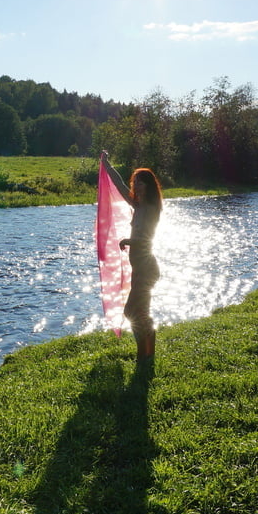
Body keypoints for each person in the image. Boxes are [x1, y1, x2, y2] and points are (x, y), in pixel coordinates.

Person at [100, 151, 162, 361]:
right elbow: (119, 185)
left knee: (133, 312)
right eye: (135, 182)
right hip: (139, 269)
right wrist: (106, 164)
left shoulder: (152, 209)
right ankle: (145, 355)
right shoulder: (137, 206)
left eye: (140, 183)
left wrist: (127, 241)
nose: (136, 186)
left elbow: (146, 239)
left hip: (147, 269)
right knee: (138, 313)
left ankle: (147, 353)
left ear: (149, 186)